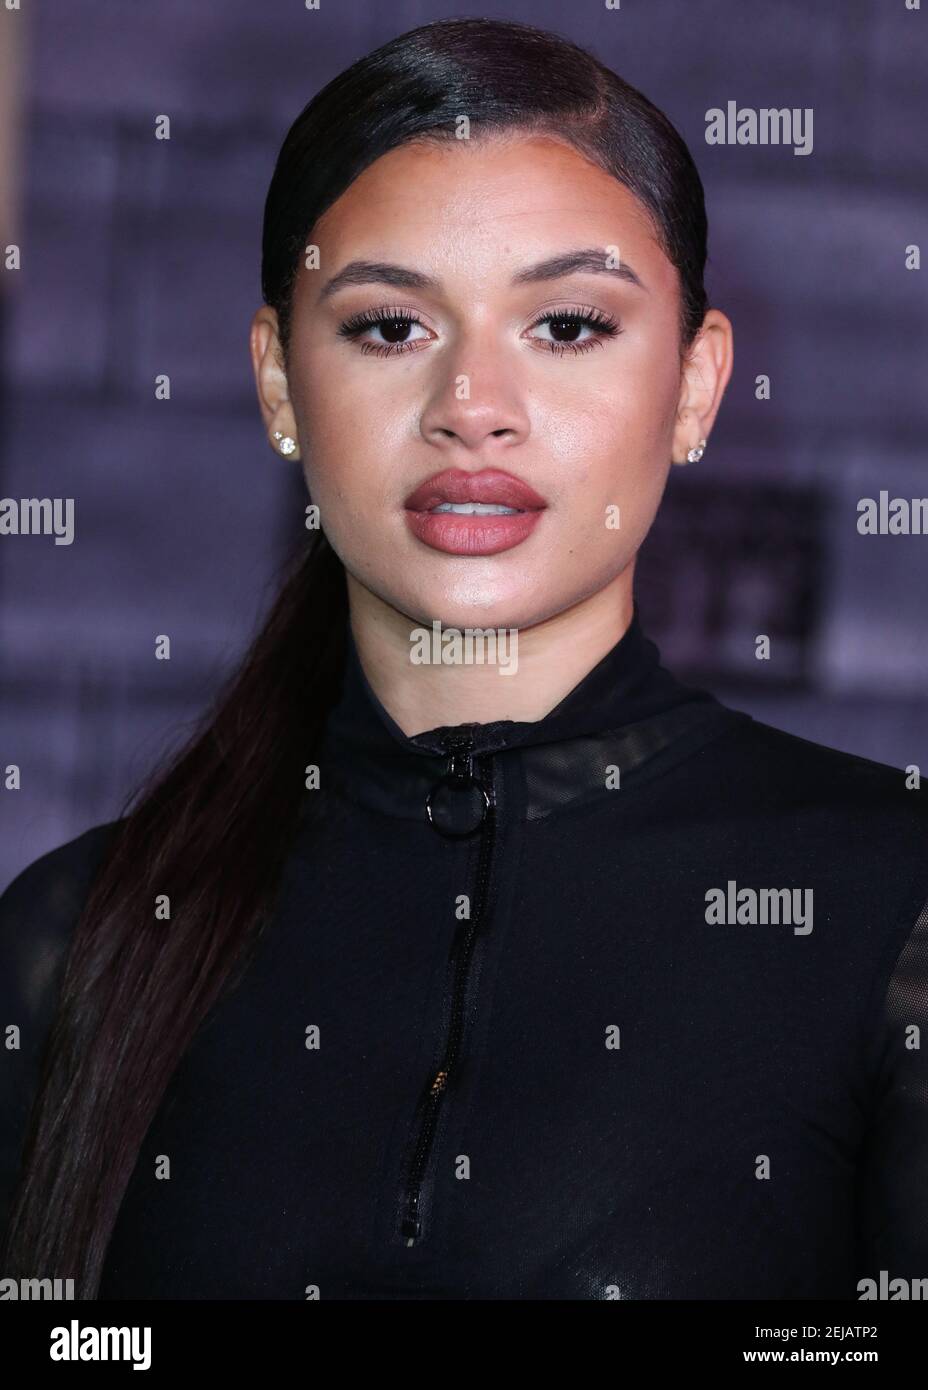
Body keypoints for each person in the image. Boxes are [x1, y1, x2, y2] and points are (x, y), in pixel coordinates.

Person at [2, 16, 926, 1301]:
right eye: (388, 326)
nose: (470, 403)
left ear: (698, 384)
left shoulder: (892, 901)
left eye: (566, 324)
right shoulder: (79, 937)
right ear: (277, 384)